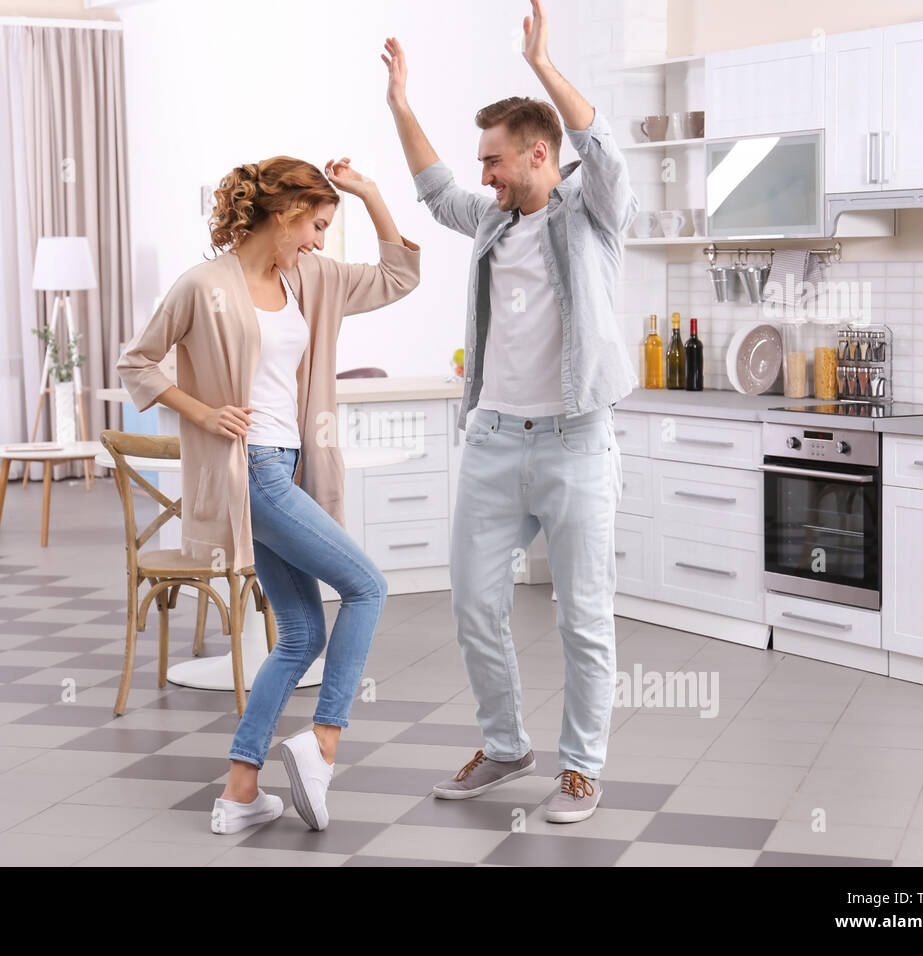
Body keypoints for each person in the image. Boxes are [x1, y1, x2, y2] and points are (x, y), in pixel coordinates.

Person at [382, 0, 637, 823]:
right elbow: (434, 191)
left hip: (576, 442)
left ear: (537, 154)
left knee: (584, 616)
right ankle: (505, 746)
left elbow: (601, 145)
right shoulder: (493, 220)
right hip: (493, 440)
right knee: (473, 604)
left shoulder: (595, 213)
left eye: (494, 160)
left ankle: (581, 769)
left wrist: (540, 66)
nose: (483, 174)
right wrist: (400, 106)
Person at [117, 156, 421, 834]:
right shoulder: (203, 286)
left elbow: (400, 274)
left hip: (291, 462)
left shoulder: (309, 277)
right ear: (283, 214)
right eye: (315, 224)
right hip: (250, 469)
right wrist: (202, 413)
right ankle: (324, 744)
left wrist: (369, 193)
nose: (319, 241)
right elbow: (136, 360)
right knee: (369, 586)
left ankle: (239, 793)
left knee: (303, 632)